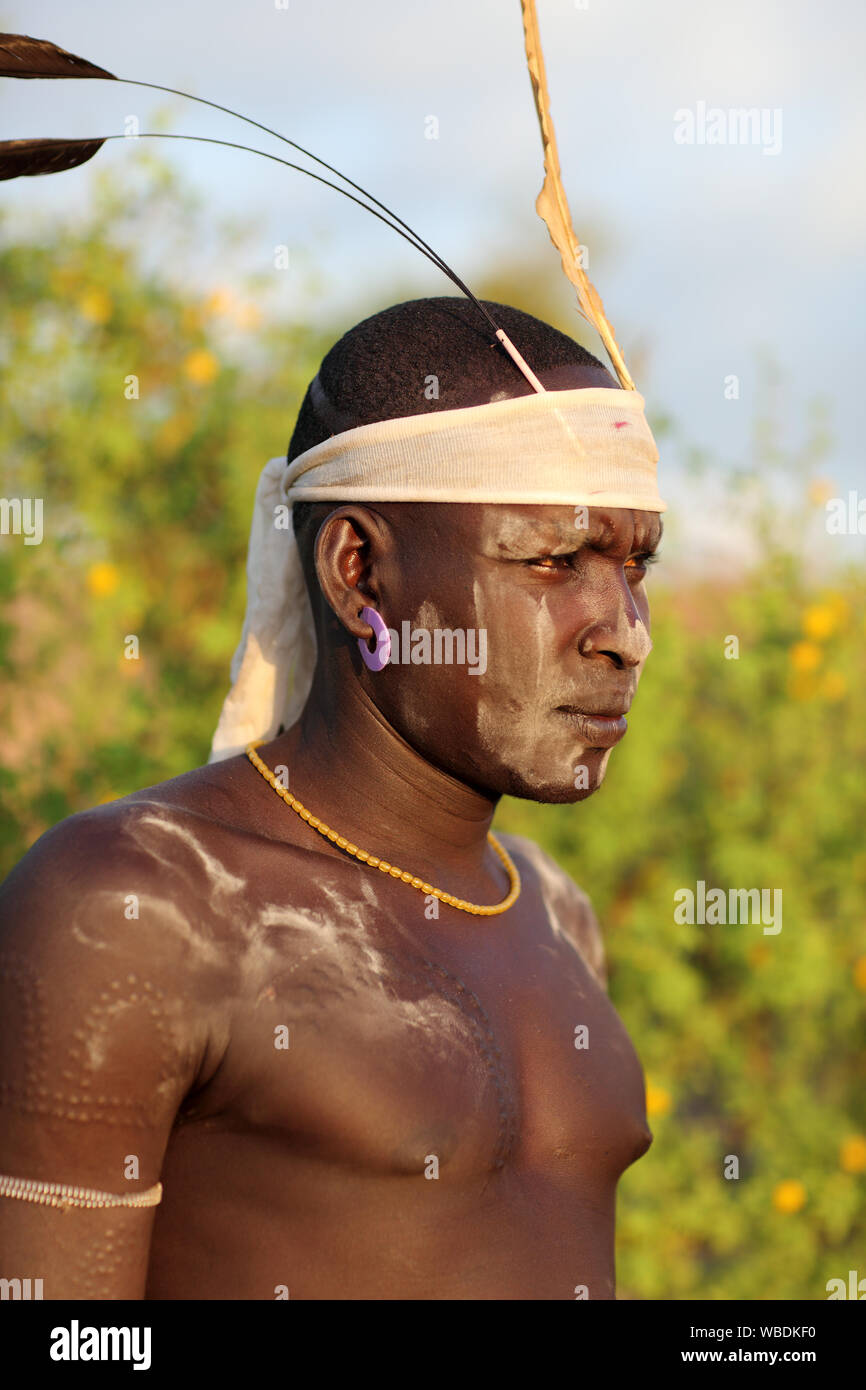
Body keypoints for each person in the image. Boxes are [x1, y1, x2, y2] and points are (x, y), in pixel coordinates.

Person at [0, 295, 663, 1300]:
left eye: (633, 564)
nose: (624, 632)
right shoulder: (138, 905)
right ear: (360, 573)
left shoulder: (553, 912)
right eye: (549, 559)